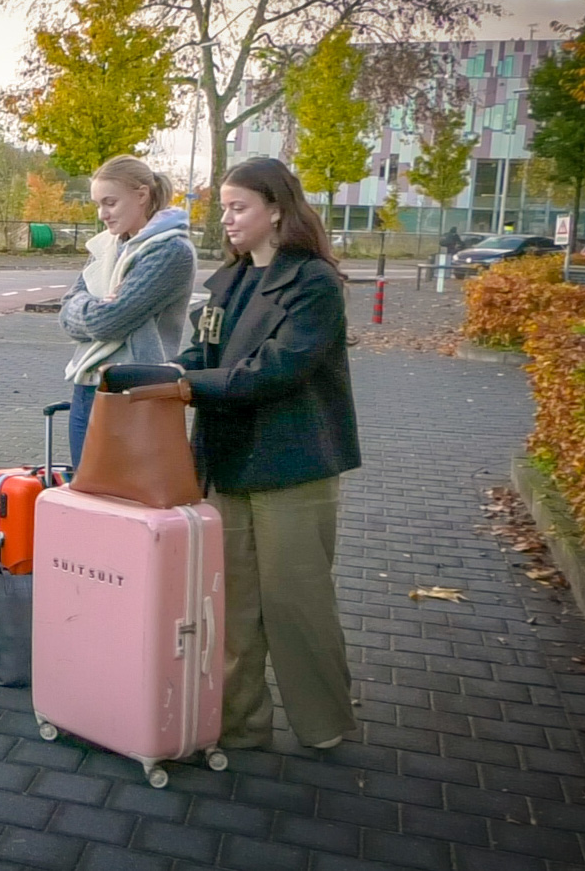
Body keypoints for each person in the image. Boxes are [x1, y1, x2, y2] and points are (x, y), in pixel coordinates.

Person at [172, 156, 362, 752]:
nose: (225, 219)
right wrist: (153, 374)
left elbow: (276, 371)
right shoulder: (228, 281)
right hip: (228, 462)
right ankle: (241, 725)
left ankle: (324, 728)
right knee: (232, 608)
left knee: (297, 606)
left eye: (238, 208)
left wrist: (184, 387)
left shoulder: (315, 283)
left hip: (292, 466)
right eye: (223, 207)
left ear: (276, 210)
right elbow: (202, 358)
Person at [58, 155, 197, 466]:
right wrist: (95, 306)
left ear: (141, 195)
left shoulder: (170, 251)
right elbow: (66, 309)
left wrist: (93, 308)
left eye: (110, 203)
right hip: (88, 383)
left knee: (120, 500)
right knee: (88, 494)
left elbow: (109, 321)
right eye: (98, 204)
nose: (102, 214)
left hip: (132, 390)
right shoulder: (109, 246)